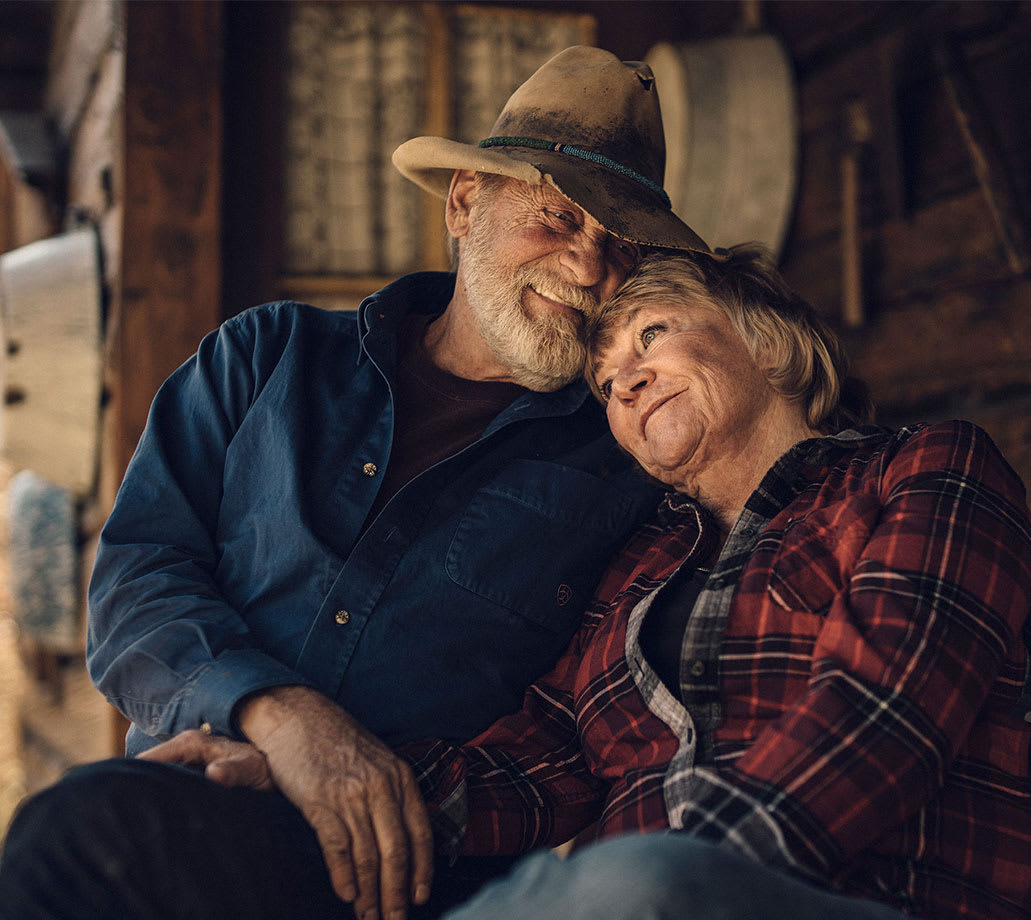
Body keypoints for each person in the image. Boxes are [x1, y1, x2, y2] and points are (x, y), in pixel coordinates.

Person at [147, 245, 1031, 919]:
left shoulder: (922, 472)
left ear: (770, 342)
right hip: (625, 898)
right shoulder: (639, 569)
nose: (625, 384)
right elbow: (545, 756)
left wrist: (657, 881)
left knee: (638, 886)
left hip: (869, 895)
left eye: (652, 336)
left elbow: (885, 715)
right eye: (604, 383)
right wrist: (311, 780)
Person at [0, 47, 715, 920]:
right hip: (185, 811)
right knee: (77, 839)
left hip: (392, 876)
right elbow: (136, 584)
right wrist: (281, 716)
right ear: (464, 203)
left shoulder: (627, 462)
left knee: (70, 834)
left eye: (620, 247)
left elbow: (575, 721)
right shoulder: (266, 357)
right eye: (559, 219)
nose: (589, 269)